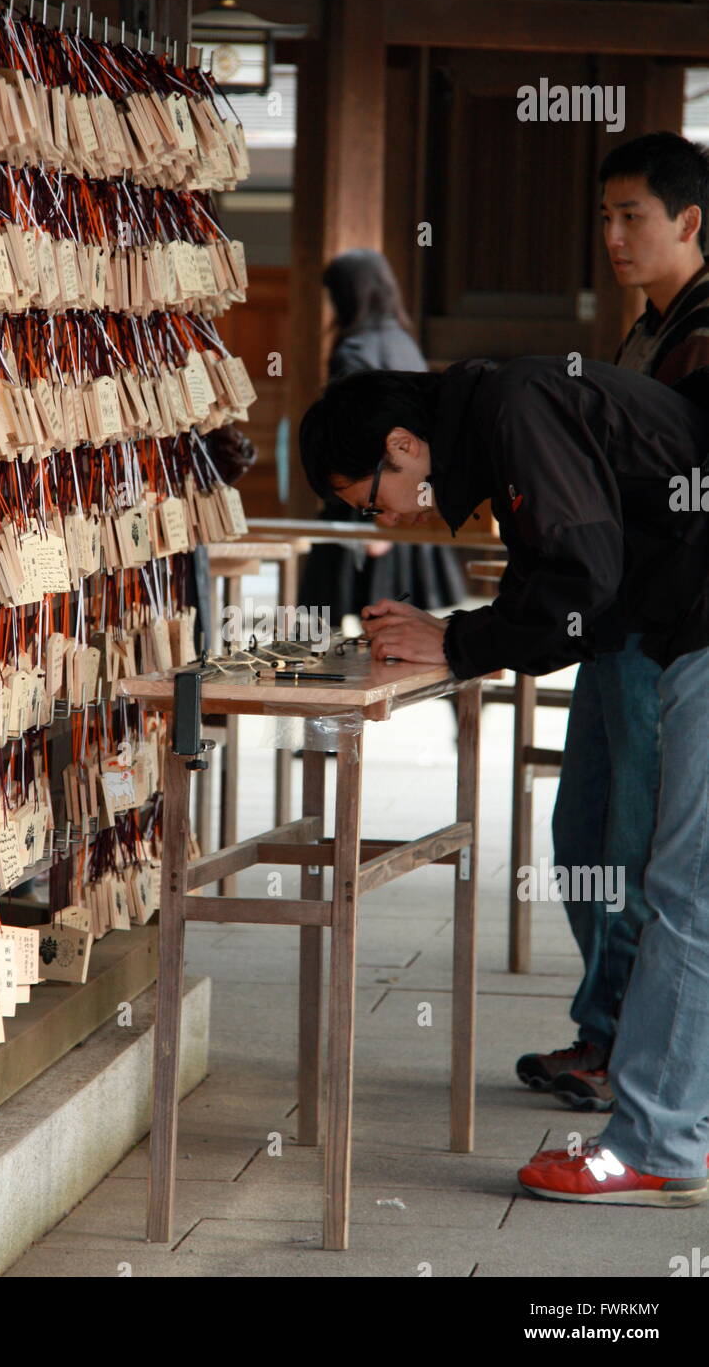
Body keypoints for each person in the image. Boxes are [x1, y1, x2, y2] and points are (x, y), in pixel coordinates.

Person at [299, 358, 709, 1204]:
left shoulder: (512, 407)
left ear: (403, 443)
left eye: (372, 496)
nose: (384, 515)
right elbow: (569, 580)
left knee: (686, 890)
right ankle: (675, 1123)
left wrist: (458, 643)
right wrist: (459, 635)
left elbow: (580, 577)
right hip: (683, 621)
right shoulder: (499, 408)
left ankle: (658, 1145)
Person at [518, 132, 709, 1116]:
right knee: (581, 828)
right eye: (603, 216)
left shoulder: (703, 333)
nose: (611, 235)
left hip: (661, 627)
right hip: (613, 620)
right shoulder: (648, 327)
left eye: (630, 215)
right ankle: (604, 1026)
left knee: (634, 844)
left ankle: (625, 1049)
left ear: (688, 221)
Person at [297, 248, 464, 630]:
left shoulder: (354, 350)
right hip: (407, 492)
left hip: (371, 494)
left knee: (343, 619)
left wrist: (372, 520)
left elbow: (351, 446)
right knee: (399, 618)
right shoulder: (403, 340)